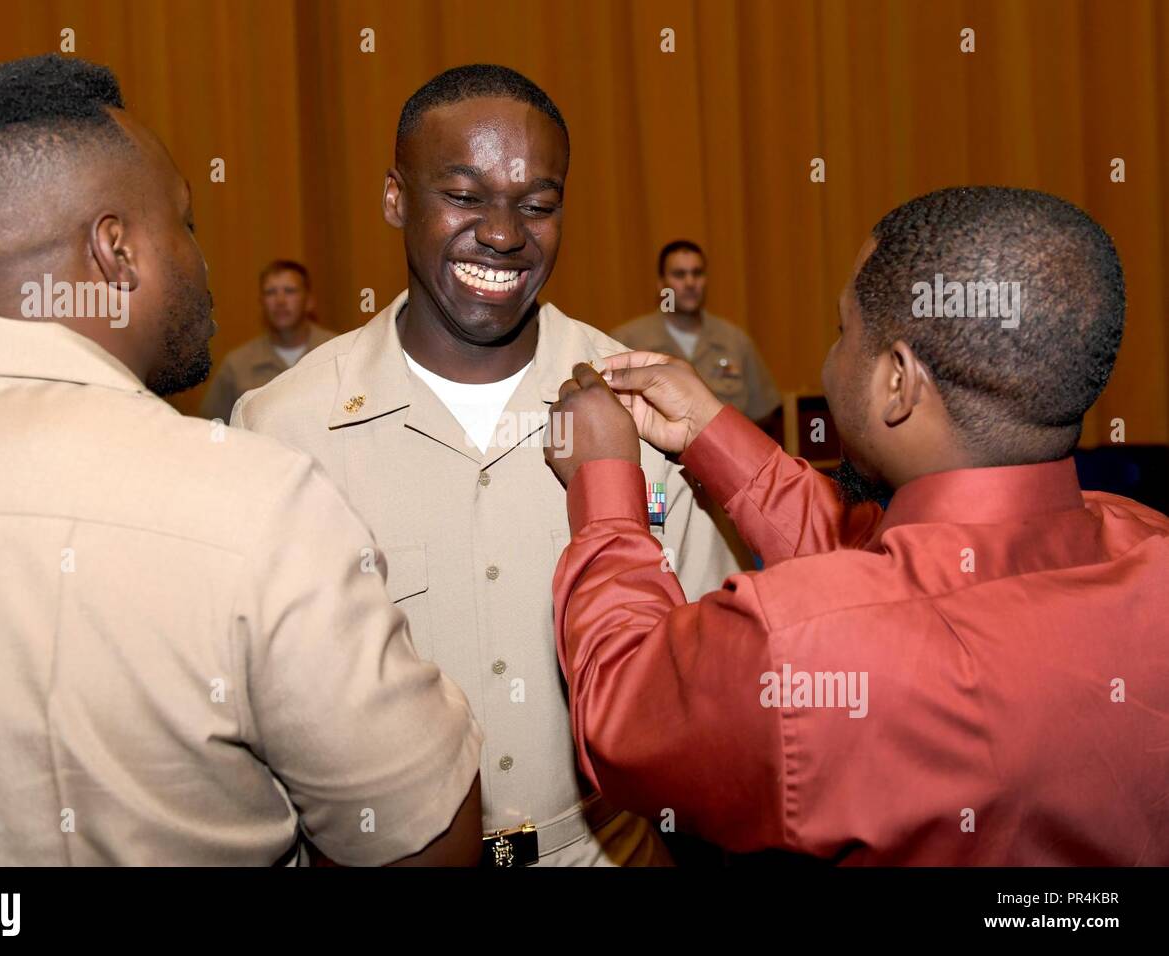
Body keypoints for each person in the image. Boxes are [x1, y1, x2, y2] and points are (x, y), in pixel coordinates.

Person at [0, 53, 481, 867]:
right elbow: (426, 839)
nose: (199, 256)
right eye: (184, 223)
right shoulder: (249, 505)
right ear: (115, 251)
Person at [545, 186, 1169, 865]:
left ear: (897, 381)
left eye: (844, 331)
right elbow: (892, 577)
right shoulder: (1147, 543)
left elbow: (626, 712)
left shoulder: (798, 647)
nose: (831, 356)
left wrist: (603, 481)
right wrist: (708, 430)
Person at [233, 64, 743, 867]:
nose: (504, 234)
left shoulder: (646, 409)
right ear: (396, 198)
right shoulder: (285, 429)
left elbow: (715, 684)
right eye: (465, 198)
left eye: (537, 204)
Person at [613, 240, 781, 433]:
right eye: (679, 274)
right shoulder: (627, 340)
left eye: (697, 273)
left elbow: (763, 415)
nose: (690, 283)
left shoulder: (735, 341)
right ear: (661, 284)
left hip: (724, 458)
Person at [199, 260, 336, 422]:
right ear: (262, 303)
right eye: (270, 292)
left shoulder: (337, 352)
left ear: (309, 302)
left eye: (290, 291)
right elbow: (212, 426)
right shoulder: (237, 365)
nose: (280, 301)